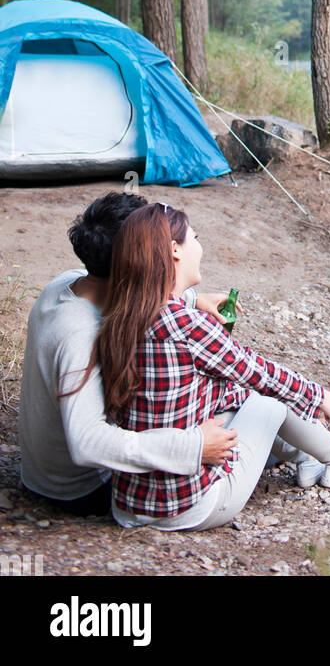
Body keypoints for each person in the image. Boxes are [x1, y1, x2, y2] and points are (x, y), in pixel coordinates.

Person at [91, 201, 330, 531]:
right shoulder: (185, 324)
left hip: (128, 504)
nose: (200, 246)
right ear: (174, 250)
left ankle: (307, 457)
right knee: (268, 400)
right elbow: (258, 372)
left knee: (240, 396)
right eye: (195, 237)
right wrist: (322, 397)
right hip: (189, 507)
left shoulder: (121, 318)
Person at [18, 191, 238, 516]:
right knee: (228, 410)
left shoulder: (66, 283)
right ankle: (308, 442)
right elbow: (86, 443)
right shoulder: (82, 334)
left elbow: (132, 301)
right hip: (84, 488)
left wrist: (192, 300)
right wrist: (193, 446)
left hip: (42, 474)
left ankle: (308, 439)